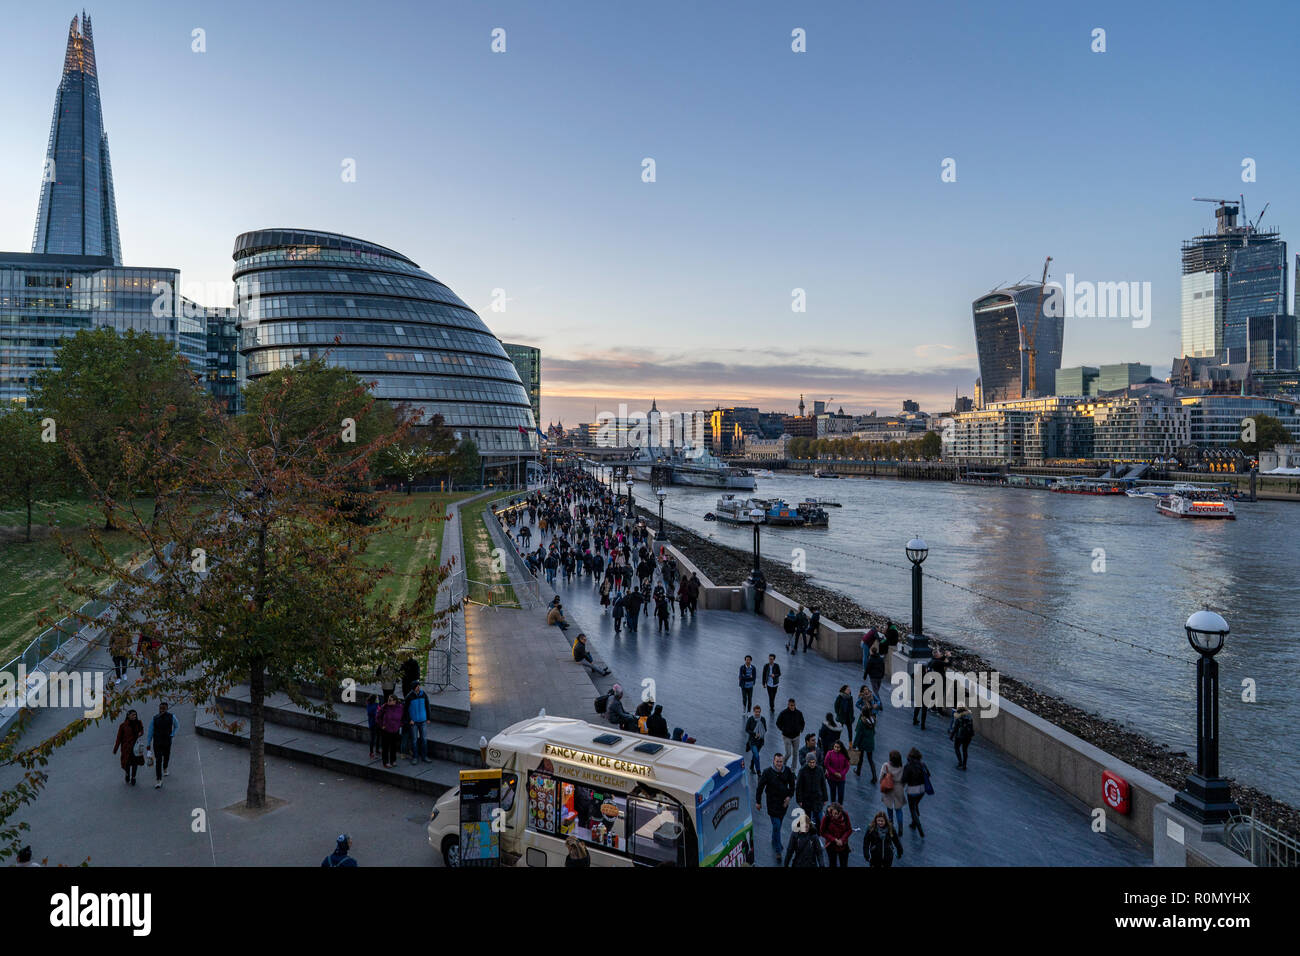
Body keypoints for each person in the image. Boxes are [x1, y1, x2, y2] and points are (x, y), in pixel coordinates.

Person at [754, 753, 795, 854]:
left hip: (783, 804)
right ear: (773, 761)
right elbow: (760, 788)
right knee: (776, 825)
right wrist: (758, 802)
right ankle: (778, 849)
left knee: (778, 825)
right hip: (772, 804)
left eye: (781, 761)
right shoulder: (767, 772)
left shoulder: (788, 771)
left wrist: (789, 797)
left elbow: (792, 786)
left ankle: (774, 838)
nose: (779, 763)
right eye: (777, 761)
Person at [146, 701, 179, 789]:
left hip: (167, 741)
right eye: (161, 708)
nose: (162, 710)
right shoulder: (155, 718)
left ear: (167, 708)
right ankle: (158, 780)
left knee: (166, 756)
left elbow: (177, 726)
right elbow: (150, 732)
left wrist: (172, 734)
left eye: (164, 708)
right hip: (157, 742)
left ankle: (165, 767)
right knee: (158, 760)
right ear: (159, 708)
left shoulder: (172, 717)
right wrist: (148, 744)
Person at [901, 747, 931, 836]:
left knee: (912, 808)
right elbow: (928, 774)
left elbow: (904, 779)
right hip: (922, 790)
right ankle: (914, 823)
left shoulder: (908, 766)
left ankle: (919, 827)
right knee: (916, 804)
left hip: (912, 790)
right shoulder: (923, 765)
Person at [795, 751, 828, 830]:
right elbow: (798, 786)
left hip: (817, 798)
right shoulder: (802, 771)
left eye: (813, 762)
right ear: (807, 762)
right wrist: (799, 800)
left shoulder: (820, 770)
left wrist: (825, 798)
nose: (812, 764)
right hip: (807, 799)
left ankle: (818, 833)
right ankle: (808, 833)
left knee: (819, 818)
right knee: (807, 818)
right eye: (810, 762)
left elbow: (823, 784)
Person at [112, 709, 145, 785]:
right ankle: (127, 774)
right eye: (132, 715)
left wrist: (140, 733)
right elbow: (119, 738)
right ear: (128, 716)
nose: (134, 716)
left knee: (135, 763)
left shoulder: (138, 723)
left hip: (135, 747)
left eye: (135, 715)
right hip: (126, 748)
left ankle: (133, 777)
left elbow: (142, 731)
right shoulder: (123, 726)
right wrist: (115, 749)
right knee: (127, 763)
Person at [879, 749, 907, 833]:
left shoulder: (886, 766)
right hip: (899, 788)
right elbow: (904, 780)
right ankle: (900, 828)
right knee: (898, 809)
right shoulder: (902, 767)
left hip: (888, 788)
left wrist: (882, 783)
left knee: (889, 807)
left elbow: (880, 778)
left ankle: (890, 825)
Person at [406, 681, 431, 764]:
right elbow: (405, 710)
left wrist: (428, 718)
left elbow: (428, 706)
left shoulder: (423, 694)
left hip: (423, 720)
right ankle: (415, 757)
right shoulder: (409, 697)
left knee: (424, 739)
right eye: (417, 686)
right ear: (414, 687)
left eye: (419, 686)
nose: (418, 687)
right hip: (414, 722)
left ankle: (424, 756)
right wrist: (410, 720)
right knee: (414, 740)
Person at [820, 802, 852, 867]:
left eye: (836, 814)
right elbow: (822, 832)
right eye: (832, 813)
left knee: (844, 864)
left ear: (840, 812)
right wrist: (834, 840)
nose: (834, 815)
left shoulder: (845, 815)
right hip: (831, 845)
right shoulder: (827, 818)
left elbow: (849, 829)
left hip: (843, 845)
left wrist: (842, 840)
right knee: (832, 864)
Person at [775, 698, 805, 767]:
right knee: (788, 753)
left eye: (794, 705)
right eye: (791, 705)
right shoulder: (783, 713)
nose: (792, 707)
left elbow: (802, 722)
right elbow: (778, 723)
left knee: (795, 754)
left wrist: (801, 729)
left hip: (796, 736)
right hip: (787, 736)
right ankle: (783, 763)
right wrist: (783, 729)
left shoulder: (799, 713)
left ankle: (793, 770)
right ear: (788, 705)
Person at [852, 701, 878, 782]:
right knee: (870, 760)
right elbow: (873, 732)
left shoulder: (861, 722)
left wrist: (854, 745)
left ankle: (858, 771)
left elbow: (858, 734)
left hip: (862, 743)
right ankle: (874, 776)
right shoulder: (873, 720)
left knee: (861, 758)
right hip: (870, 743)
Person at [377, 693, 403, 768]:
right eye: (388, 699)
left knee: (393, 746)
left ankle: (393, 760)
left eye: (390, 700)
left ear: (395, 701)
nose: (388, 701)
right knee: (385, 747)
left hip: (395, 730)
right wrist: (382, 725)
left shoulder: (400, 707)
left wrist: (400, 725)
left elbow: (403, 717)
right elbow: (378, 717)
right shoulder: (385, 707)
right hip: (386, 730)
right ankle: (385, 762)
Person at [824, 740, 850, 805]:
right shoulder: (829, 753)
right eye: (835, 747)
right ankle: (833, 808)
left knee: (841, 795)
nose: (836, 748)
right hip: (831, 778)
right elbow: (826, 764)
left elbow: (847, 766)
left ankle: (840, 808)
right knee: (833, 794)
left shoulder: (844, 755)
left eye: (838, 747)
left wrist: (841, 774)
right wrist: (834, 773)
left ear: (841, 748)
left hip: (841, 779)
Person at [949, 706, 975, 770]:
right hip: (968, 736)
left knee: (956, 747)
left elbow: (955, 728)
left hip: (960, 735)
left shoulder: (958, 718)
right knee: (965, 750)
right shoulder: (970, 718)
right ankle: (964, 765)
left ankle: (960, 762)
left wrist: (951, 736)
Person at [744, 705, 767, 773]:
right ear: (753, 712)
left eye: (759, 712)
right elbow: (747, 729)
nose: (757, 713)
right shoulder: (750, 719)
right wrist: (754, 734)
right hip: (752, 741)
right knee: (756, 755)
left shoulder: (763, 719)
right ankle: (758, 771)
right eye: (756, 712)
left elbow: (765, 729)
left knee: (755, 755)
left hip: (760, 741)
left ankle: (751, 766)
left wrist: (760, 734)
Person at [366, 695, 380, 759]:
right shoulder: (371, 705)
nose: (378, 699)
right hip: (373, 724)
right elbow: (373, 713)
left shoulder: (376, 704)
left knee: (378, 737)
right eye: (377, 698)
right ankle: (371, 752)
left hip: (377, 723)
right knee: (373, 738)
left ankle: (377, 749)